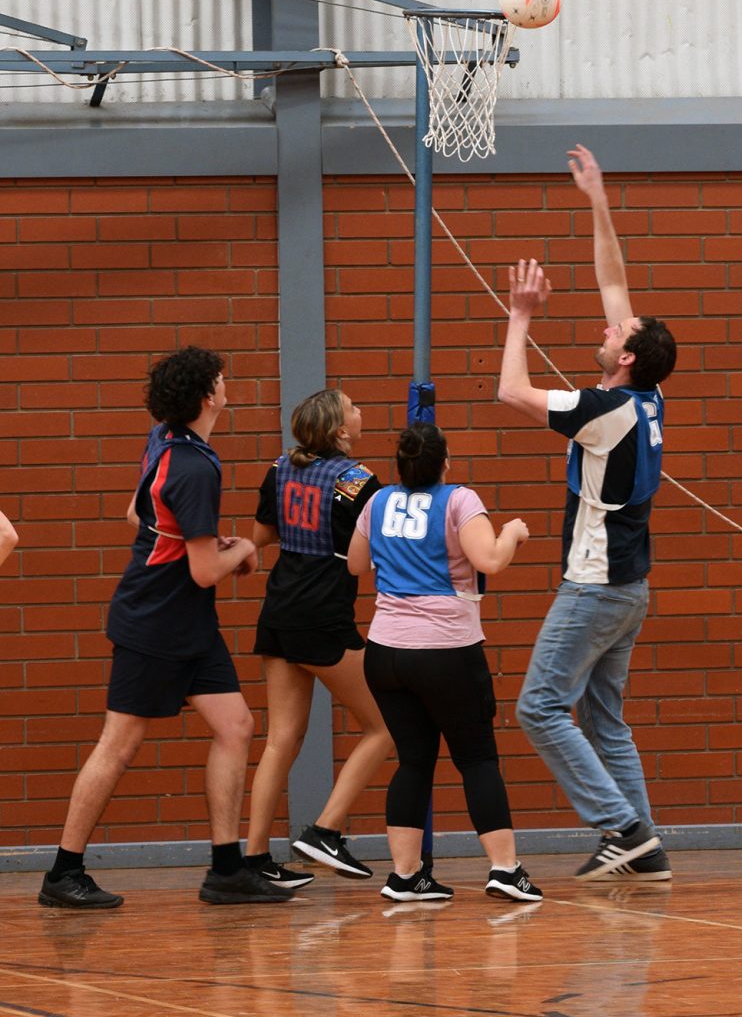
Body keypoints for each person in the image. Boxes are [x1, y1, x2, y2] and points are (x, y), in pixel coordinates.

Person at [39, 346, 292, 909]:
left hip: (188, 623)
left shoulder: (166, 440)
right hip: (154, 622)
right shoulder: (195, 467)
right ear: (207, 396)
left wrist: (208, 542)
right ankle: (63, 872)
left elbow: (139, 514)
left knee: (236, 726)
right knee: (119, 744)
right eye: (219, 379)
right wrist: (242, 548)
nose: (225, 383)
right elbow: (204, 571)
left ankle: (226, 870)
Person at [498, 143, 677, 882]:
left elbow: (511, 392)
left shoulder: (605, 410)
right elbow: (613, 280)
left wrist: (520, 315)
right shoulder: (648, 395)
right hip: (629, 589)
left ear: (627, 358)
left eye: (617, 334)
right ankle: (645, 849)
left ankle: (621, 828)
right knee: (604, 719)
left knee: (538, 708)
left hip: (597, 587)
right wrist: (598, 199)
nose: (608, 327)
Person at [347, 421, 543, 905]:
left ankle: (405, 875)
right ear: (445, 463)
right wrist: (512, 533)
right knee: (476, 758)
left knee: (413, 760)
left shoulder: (377, 501)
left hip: (385, 651)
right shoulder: (459, 500)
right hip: (446, 650)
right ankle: (505, 868)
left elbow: (355, 565)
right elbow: (490, 560)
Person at [244, 388, 392, 888]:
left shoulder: (279, 468)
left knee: (280, 740)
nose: (360, 411)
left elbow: (261, 536)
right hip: (323, 614)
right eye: (353, 407)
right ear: (340, 429)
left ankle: (255, 857)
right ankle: (325, 831)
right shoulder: (359, 481)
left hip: (279, 610)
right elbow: (373, 554)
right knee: (386, 724)